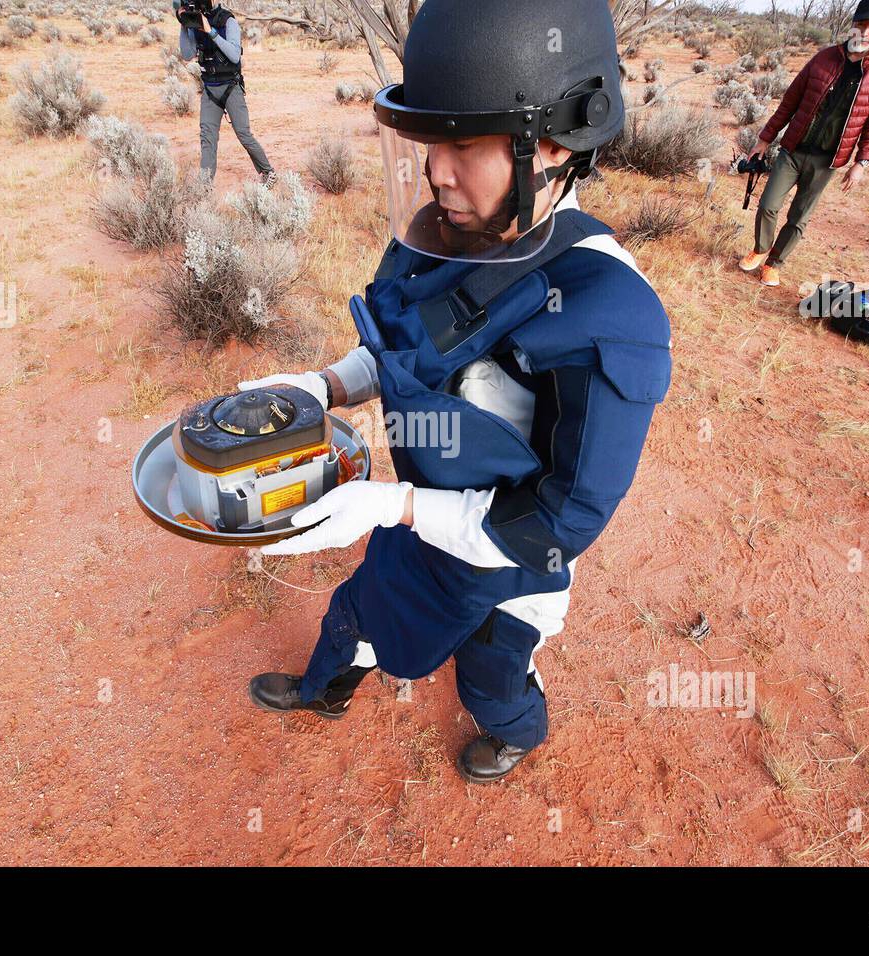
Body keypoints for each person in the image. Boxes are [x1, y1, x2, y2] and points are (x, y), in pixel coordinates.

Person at [238, 0, 672, 783]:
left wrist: (394, 505)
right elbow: (402, 349)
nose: (438, 171)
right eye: (429, 142)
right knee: (359, 610)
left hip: (506, 562)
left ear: (549, 144)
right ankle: (326, 690)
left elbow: (554, 524)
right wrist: (325, 385)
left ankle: (516, 731)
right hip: (423, 514)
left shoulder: (610, 312)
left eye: (464, 143)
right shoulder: (447, 231)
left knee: (491, 674)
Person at [739, 0, 869, 287]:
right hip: (794, 148)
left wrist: (862, 162)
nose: (864, 32)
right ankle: (761, 249)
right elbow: (790, 101)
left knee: (799, 216)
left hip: (828, 159)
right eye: (860, 24)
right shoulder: (825, 58)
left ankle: (774, 263)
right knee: (768, 204)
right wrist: (765, 138)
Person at [173, 0, 276, 186]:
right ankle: (204, 187)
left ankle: (268, 172)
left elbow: (235, 55)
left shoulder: (228, 20)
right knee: (207, 138)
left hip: (231, 87)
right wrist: (184, 24)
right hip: (210, 89)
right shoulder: (195, 22)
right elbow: (187, 54)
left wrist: (210, 31)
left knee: (244, 134)